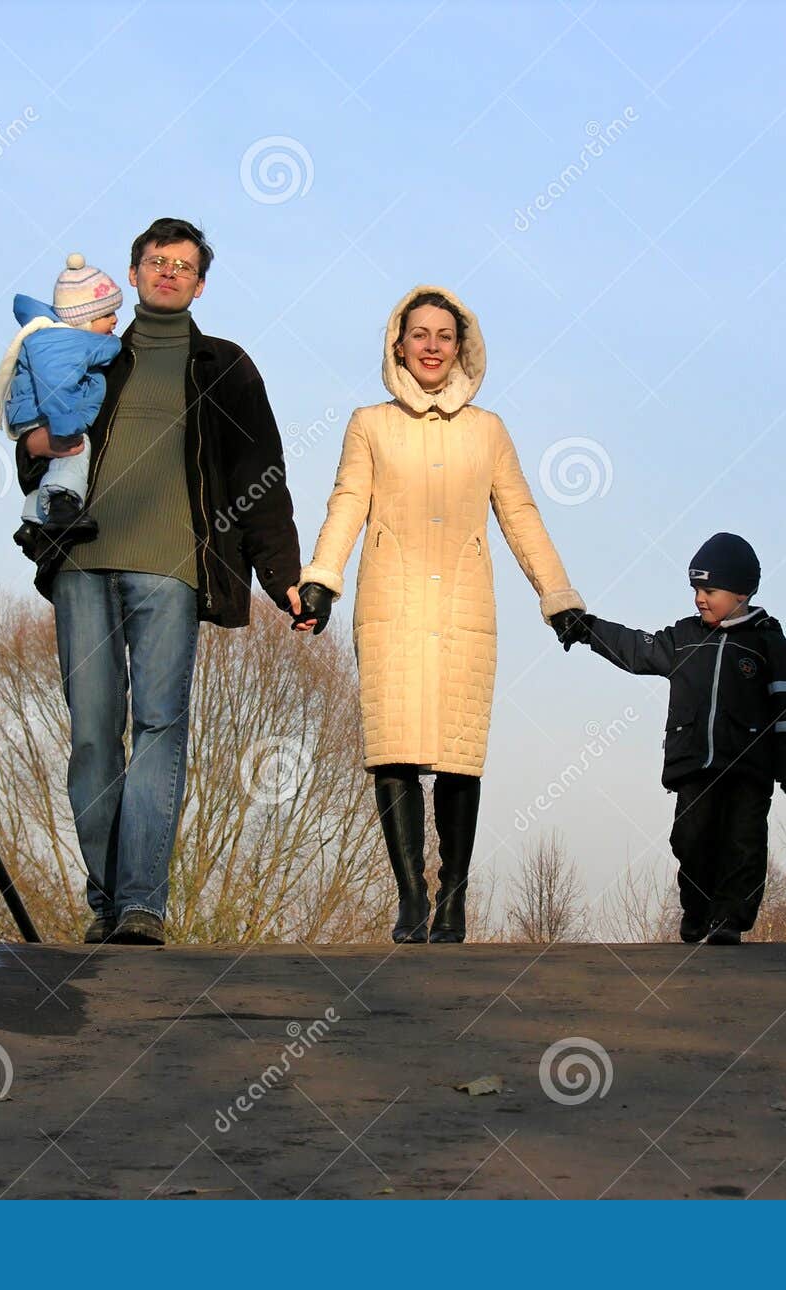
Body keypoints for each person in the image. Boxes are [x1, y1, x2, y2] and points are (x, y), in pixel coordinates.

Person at [13, 218, 308, 946]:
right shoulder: (93, 352)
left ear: (200, 284)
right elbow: (33, 448)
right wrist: (39, 441)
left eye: (183, 265)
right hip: (81, 562)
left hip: (173, 569)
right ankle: (106, 898)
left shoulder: (225, 366)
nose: (169, 272)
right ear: (133, 273)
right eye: (157, 261)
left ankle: (141, 903)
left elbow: (260, 475)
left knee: (159, 726)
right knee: (92, 734)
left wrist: (283, 576)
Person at [297, 286, 585, 944]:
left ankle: (453, 894)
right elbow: (347, 502)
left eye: (444, 336)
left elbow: (520, 515)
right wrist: (321, 580)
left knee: (459, 754)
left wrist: (558, 596)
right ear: (398, 345)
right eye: (419, 334)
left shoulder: (488, 431)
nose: (431, 346)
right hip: (390, 605)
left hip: (464, 608)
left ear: (462, 347)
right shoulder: (370, 424)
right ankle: (410, 896)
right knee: (393, 749)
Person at [558, 532, 786, 944]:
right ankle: (697, 909)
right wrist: (590, 630)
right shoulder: (684, 637)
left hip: (748, 766)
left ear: (742, 592)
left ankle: (729, 920)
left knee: (743, 843)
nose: (699, 599)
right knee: (690, 839)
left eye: (709, 591)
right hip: (695, 765)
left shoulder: (768, 643)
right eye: (695, 590)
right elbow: (637, 649)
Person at [0, 253, 121, 538]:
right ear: (83, 319)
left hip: (39, 414)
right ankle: (63, 506)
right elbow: (55, 385)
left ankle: (33, 522)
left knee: (53, 464)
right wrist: (67, 425)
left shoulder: (59, 339)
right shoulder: (63, 344)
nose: (115, 320)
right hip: (50, 414)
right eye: (106, 315)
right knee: (76, 450)